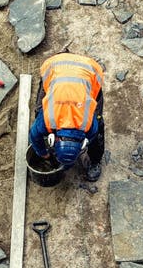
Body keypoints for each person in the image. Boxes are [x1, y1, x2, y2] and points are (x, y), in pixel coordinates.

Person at [29, 52, 105, 181]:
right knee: (39, 112)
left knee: (98, 129)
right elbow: (34, 135)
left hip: (89, 71)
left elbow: (92, 137)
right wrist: (44, 154)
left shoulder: (90, 125)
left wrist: (44, 154)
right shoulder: (48, 120)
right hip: (54, 66)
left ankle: (95, 161)